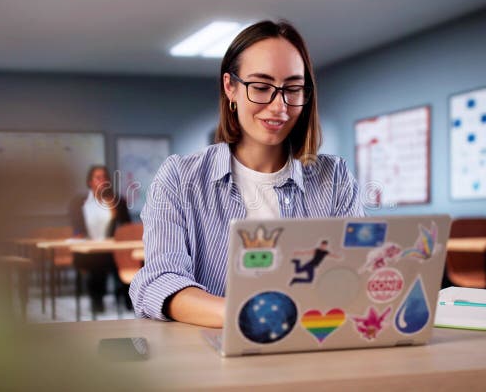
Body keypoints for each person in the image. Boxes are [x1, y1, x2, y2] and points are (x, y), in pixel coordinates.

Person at [129, 20, 364, 327]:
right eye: (262, 87)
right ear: (231, 87)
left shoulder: (334, 178)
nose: (279, 106)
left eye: (293, 89)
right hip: (213, 358)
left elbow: (356, 275)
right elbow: (160, 281)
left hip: (313, 348)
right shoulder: (179, 178)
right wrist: (251, 316)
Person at [68, 165, 131, 313]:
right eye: (98, 177)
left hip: (112, 249)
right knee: (98, 261)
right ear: (90, 182)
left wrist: (114, 212)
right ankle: (97, 301)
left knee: (128, 260)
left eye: (104, 177)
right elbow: (77, 229)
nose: (102, 180)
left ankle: (128, 299)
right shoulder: (79, 202)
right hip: (89, 250)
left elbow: (126, 227)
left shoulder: (117, 201)